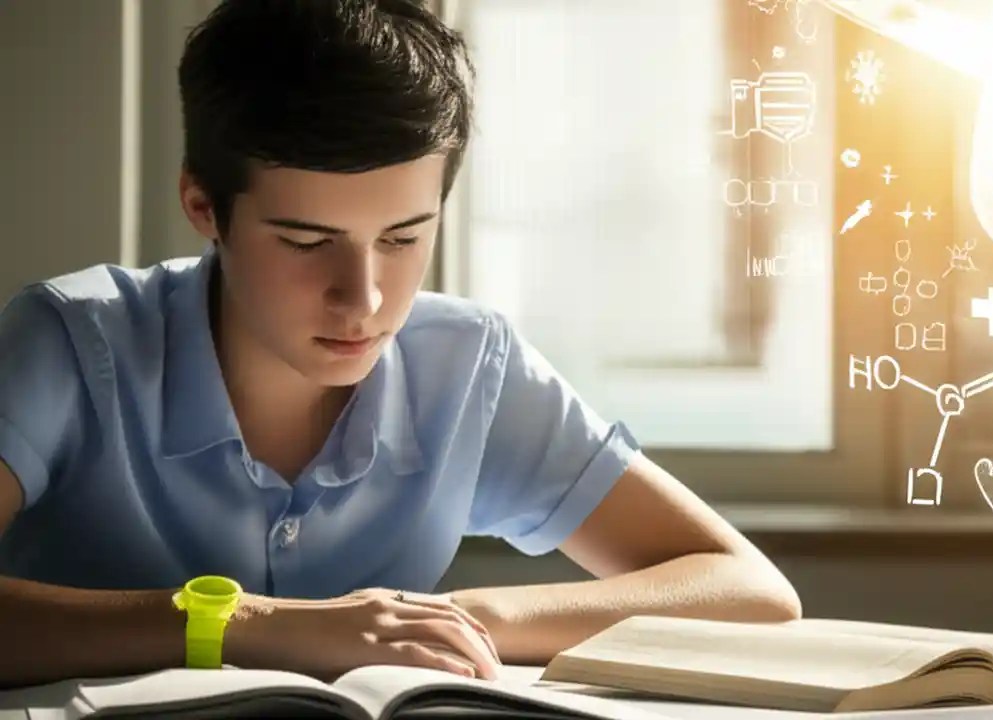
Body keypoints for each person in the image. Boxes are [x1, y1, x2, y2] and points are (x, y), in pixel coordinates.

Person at [0, 0, 800, 690]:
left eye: (403, 237)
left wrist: (441, 619)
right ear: (204, 207)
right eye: (307, 241)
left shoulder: (464, 362)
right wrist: (254, 625)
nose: (366, 298)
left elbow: (749, 591)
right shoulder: (70, 342)